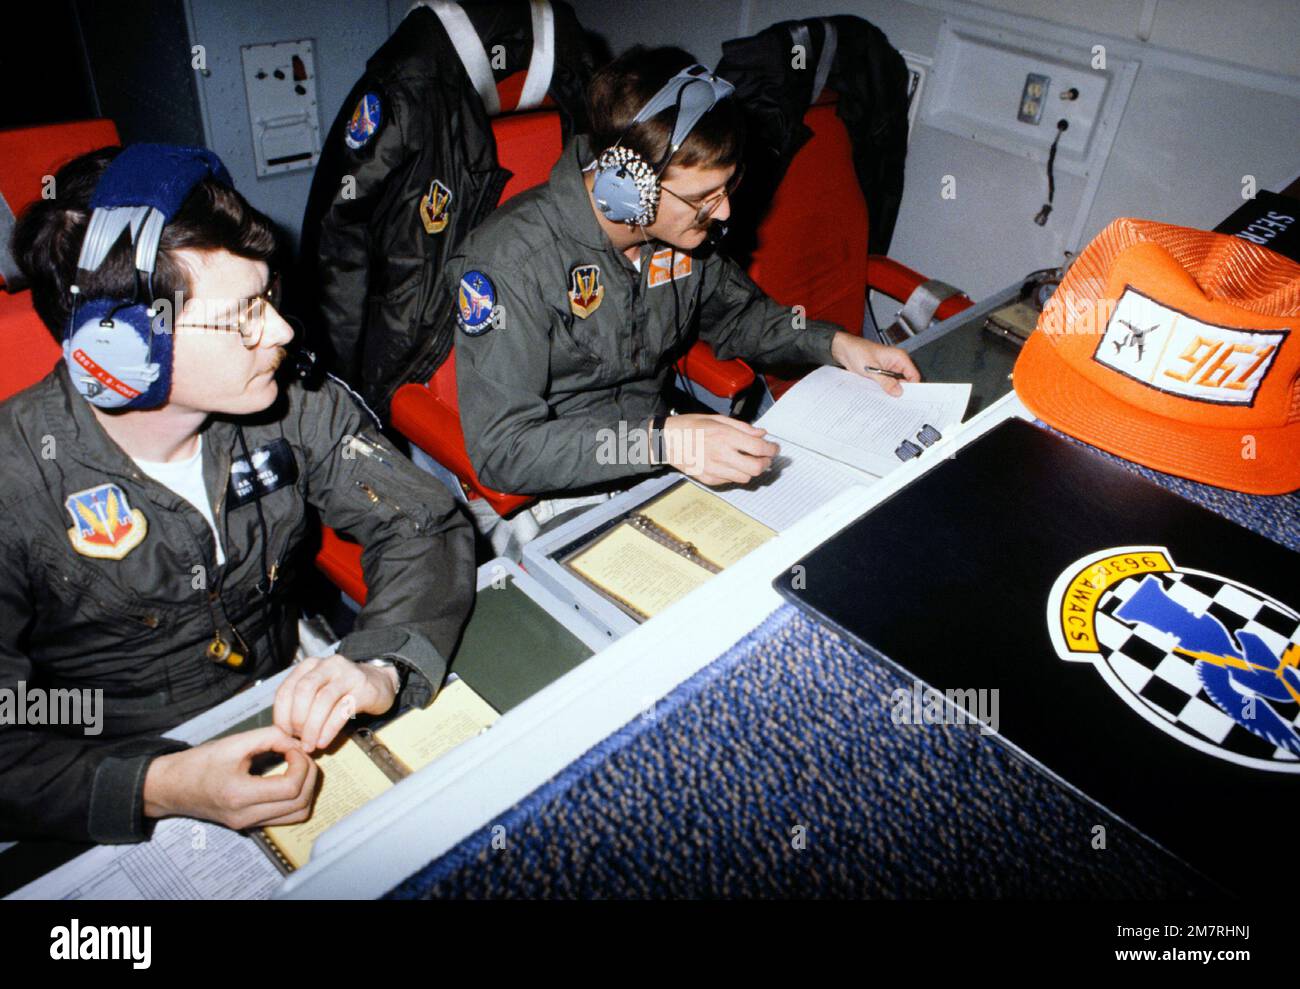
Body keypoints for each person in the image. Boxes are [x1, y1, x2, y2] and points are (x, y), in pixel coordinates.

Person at [1, 144, 475, 843]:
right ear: (124, 350)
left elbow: (422, 523)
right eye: (243, 313)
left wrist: (378, 661)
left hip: (280, 708)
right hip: (103, 772)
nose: (281, 331)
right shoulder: (17, 480)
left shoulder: (288, 402)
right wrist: (158, 787)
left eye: (269, 296)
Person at [446, 47, 920, 520]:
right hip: (556, 481)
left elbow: (740, 316)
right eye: (702, 198)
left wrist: (835, 345)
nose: (724, 212)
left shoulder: (675, 234)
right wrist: (664, 441)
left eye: (727, 188)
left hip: (660, 452)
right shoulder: (510, 263)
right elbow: (505, 452)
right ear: (626, 188)